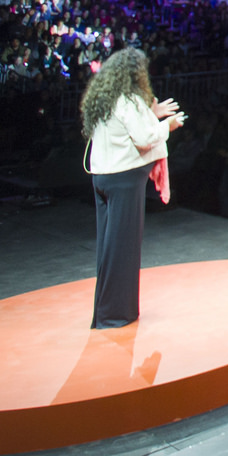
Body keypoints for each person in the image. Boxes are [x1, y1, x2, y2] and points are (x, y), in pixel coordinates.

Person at [81, 47, 184, 329]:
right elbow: (142, 138)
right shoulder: (128, 100)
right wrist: (168, 126)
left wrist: (151, 112)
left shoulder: (105, 99)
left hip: (102, 178)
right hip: (123, 180)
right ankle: (115, 315)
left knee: (109, 248)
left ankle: (107, 312)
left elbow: (125, 128)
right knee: (123, 248)